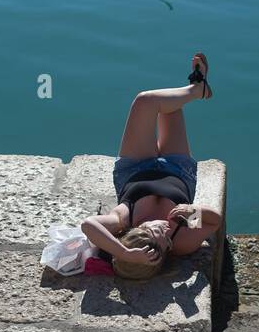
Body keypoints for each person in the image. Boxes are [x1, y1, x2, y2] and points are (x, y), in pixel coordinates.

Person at [80, 53, 223, 280]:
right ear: (167, 249)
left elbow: (88, 225)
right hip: (178, 168)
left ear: (137, 230)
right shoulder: (180, 236)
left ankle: (197, 90)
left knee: (145, 101)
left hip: (135, 167)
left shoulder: (123, 220)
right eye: (164, 240)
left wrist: (124, 252)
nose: (164, 230)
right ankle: (197, 88)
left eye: (153, 231)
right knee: (170, 107)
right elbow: (215, 220)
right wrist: (192, 212)